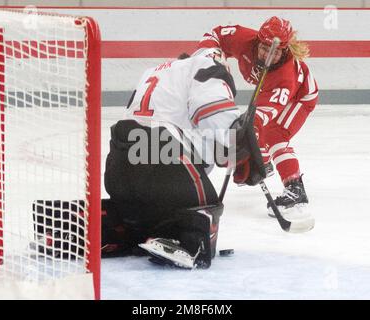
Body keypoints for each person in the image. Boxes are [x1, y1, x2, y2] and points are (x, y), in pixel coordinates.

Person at [101, 50, 264, 269]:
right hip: (161, 155)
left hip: (118, 164)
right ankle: (185, 241)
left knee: (134, 211)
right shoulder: (207, 65)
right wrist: (239, 148)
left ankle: (105, 226)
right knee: (207, 206)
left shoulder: (155, 73)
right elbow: (213, 113)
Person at [196, 16, 318, 217]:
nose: (267, 55)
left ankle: (295, 189)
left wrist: (245, 133)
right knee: (256, 136)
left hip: (300, 96)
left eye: (276, 51)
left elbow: (259, 119)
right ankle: (265, 164)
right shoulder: (243, 39)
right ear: (257, 41)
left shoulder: (284, 78)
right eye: (264, 47)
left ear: (284, 50)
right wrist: (209, 59)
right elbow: (215, 34)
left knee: (273, 135)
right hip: (276, 92)